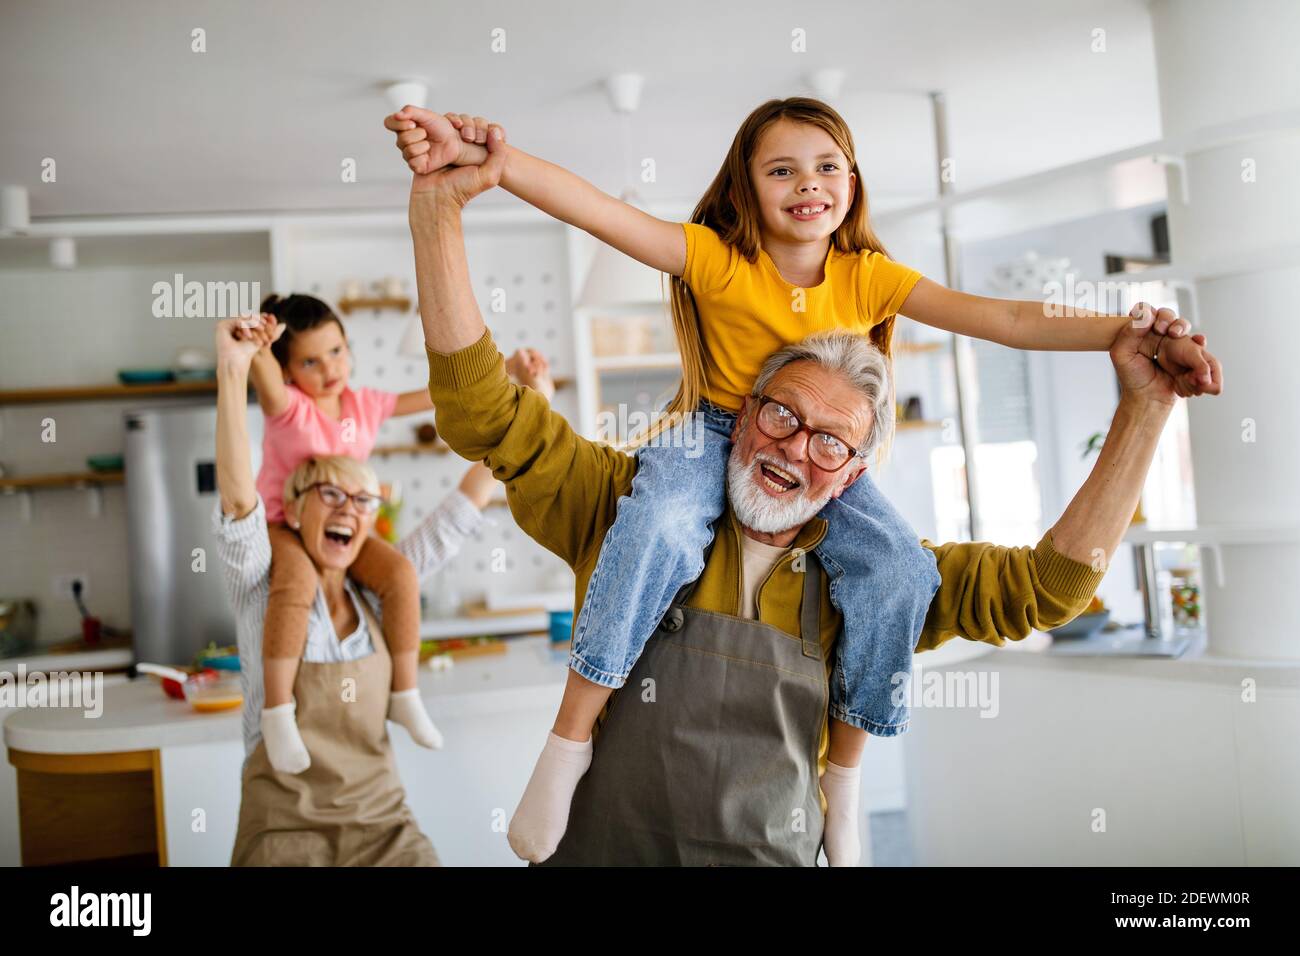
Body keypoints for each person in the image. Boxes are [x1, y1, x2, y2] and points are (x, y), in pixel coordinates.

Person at [385, 100, 1222, 863]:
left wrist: (1133, 345)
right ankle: (564, 747)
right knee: (663, 525)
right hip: (691, 457)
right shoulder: (699, 305)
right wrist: (487, 172)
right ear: (746, 190)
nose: (795, 450)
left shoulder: (868, 290)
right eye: (780, 169)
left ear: (856, 465)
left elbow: (1006, 329)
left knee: (900, 570)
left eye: (826, 167)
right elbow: (591, 228)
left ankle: (846, 783)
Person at [211, 315, 499, 865]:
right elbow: (237, 498)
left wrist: (522, 405)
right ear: (292, 510)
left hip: (385, 830)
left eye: (361, 499)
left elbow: (458, 514)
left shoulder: (376, 593)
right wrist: (233, 370)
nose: (348, 508)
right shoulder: (260, 583)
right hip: (282, 835)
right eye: (329, 494)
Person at [242, 293, 447, 774]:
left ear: (349, 348)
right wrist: (257, 348)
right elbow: (266, 382)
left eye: (336, 351)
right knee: (296, 582)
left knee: (399, 574)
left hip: (343, 528)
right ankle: (277, 713)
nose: (329, 368)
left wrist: (494, 376)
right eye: (310, 361)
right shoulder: (289, 408)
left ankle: (405, 694)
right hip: (284, 525)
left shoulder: (365, 404)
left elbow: (434, 395)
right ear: (289, 370)